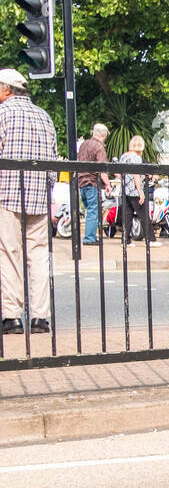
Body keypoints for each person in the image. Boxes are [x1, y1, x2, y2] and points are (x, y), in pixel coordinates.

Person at [0, 69, 57, 334]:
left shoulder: (2, 114)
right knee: (38, 257)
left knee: (9, 255)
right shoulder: (45, 116)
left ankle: (12, 317)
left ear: (5, 89)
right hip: (39, 195)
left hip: (7, 193)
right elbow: (54, 159)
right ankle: (40, 318)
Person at [76, 123, 111, 244]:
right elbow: (101, 168)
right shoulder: (99, 147)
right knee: (93, 210)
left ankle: (89, 236)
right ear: (104, 134)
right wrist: (107, 184)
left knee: (89, 210)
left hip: (81, 181)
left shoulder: (83, 145)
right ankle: (89, 238)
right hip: (92, 182)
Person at [117, 135, 152, 246]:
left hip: (125, 190)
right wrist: (140, 191)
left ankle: (125, 240)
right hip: (134, 191)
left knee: (127, 215)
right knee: (144, 214)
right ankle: (151, 239)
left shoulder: (124, 157)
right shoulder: (136, 158)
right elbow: (136, 175)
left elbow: (118, 173)